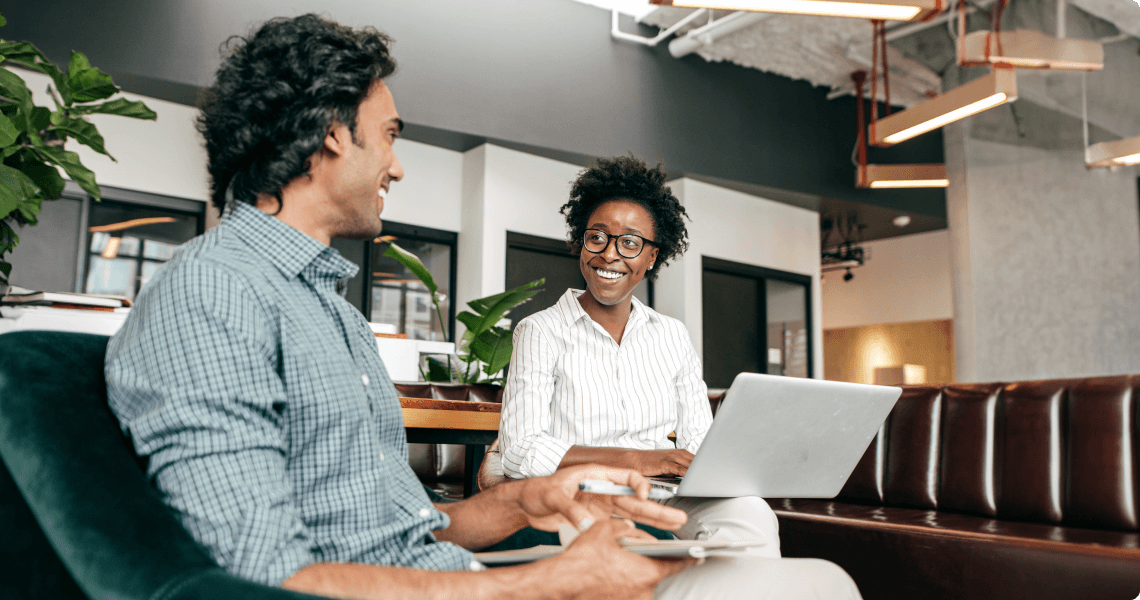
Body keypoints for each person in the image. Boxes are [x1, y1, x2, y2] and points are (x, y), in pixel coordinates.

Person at [106, 14, 860, 600]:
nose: (396, 166)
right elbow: (261, 577)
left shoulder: (326, 308)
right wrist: (540, 582)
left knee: (804, 572)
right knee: (819, 584)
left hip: (453, 575)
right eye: (389, 136)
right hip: (457, 588)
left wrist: (531, 499)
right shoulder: (211, 296)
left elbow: (411, 526)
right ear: (333, 136)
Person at [497, 155, 780, 556]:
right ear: (581, 241)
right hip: (584, 494)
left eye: (630, 243)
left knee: (751, 516)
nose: (610, 255)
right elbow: (520, 450)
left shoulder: (672, 335)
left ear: (651, 257)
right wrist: (635, 460)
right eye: (597, 237)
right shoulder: (540, 331)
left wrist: (708, 465)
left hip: (666, 493)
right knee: (639, 543)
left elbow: (698, 440)